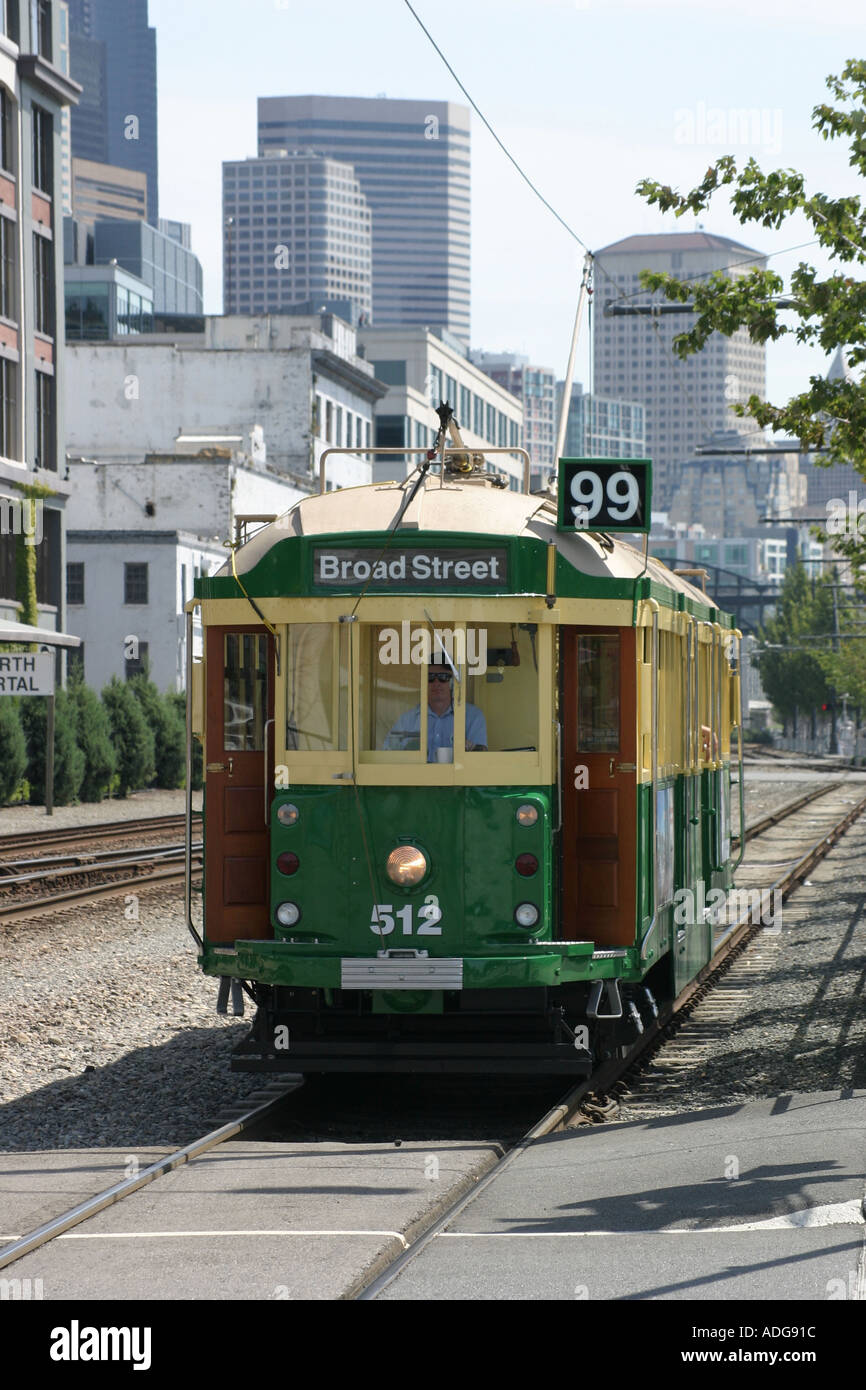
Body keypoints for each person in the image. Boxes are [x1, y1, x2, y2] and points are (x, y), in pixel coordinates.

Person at [385, 664, 487, 760]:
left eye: (443, 677)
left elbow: (479, 760)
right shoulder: (407, 720)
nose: (436, 683)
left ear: (452, 682)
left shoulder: (473, 716)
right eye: (430, 677)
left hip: (458, 778)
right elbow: (387, 756)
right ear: (423, 682)